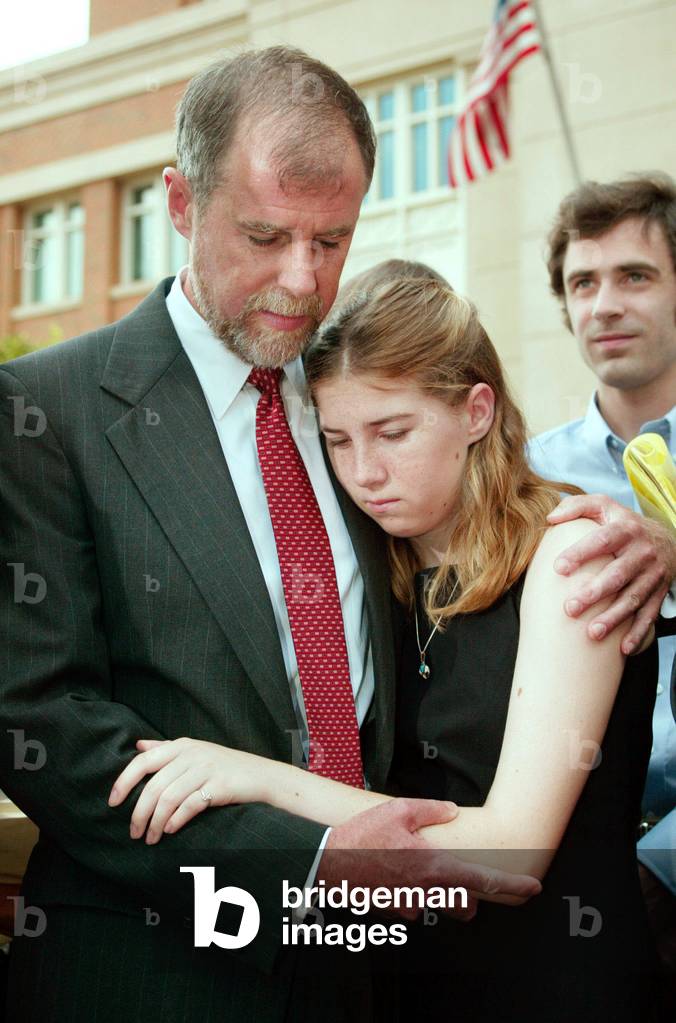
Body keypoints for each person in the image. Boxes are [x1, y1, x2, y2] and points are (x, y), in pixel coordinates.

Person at [0, 47, 672, 1021]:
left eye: (332, 239)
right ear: (180, 204)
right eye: (265, 234)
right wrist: (320, 869)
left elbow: (496, 541)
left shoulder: (343, 387)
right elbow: (40, 719)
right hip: (164, 969)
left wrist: (658, 539)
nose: (299, 280)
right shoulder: (43, 410)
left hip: (395, 976)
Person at [111, 276, 660, 1021]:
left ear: (475, 410)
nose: (364, 472)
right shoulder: (375, 569)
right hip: (401, 983)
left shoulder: (577, 548)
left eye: (393, 432)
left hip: (558, 980)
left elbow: (513, 848)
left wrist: (256, 779)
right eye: (337, 439)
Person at [528, 174, 676, 1000]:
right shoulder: (528, 476)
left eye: (635, 276)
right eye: (583, 283)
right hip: (578, 870)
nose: (605, 304)